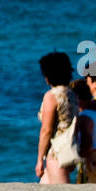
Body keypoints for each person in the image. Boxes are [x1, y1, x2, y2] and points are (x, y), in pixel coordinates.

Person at [36, 52, 83, 184]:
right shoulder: (72, 94)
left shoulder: (51, 96)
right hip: (69, 148)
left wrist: (40, 159)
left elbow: (46, 130)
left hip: (56, 154)